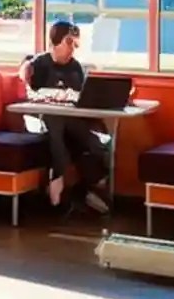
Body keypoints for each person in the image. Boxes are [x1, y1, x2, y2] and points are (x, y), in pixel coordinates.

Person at [18, 21, 111, 214]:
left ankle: (66, 183)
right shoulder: (38, 64)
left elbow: (80, 97)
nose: (72, 48)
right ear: (55, 42)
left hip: (69, 120)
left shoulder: (75, 67)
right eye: (68, 42)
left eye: (75, 44)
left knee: (85, 136)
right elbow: (29, 91)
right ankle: (70, 185)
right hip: (40, 120)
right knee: (55, 120)